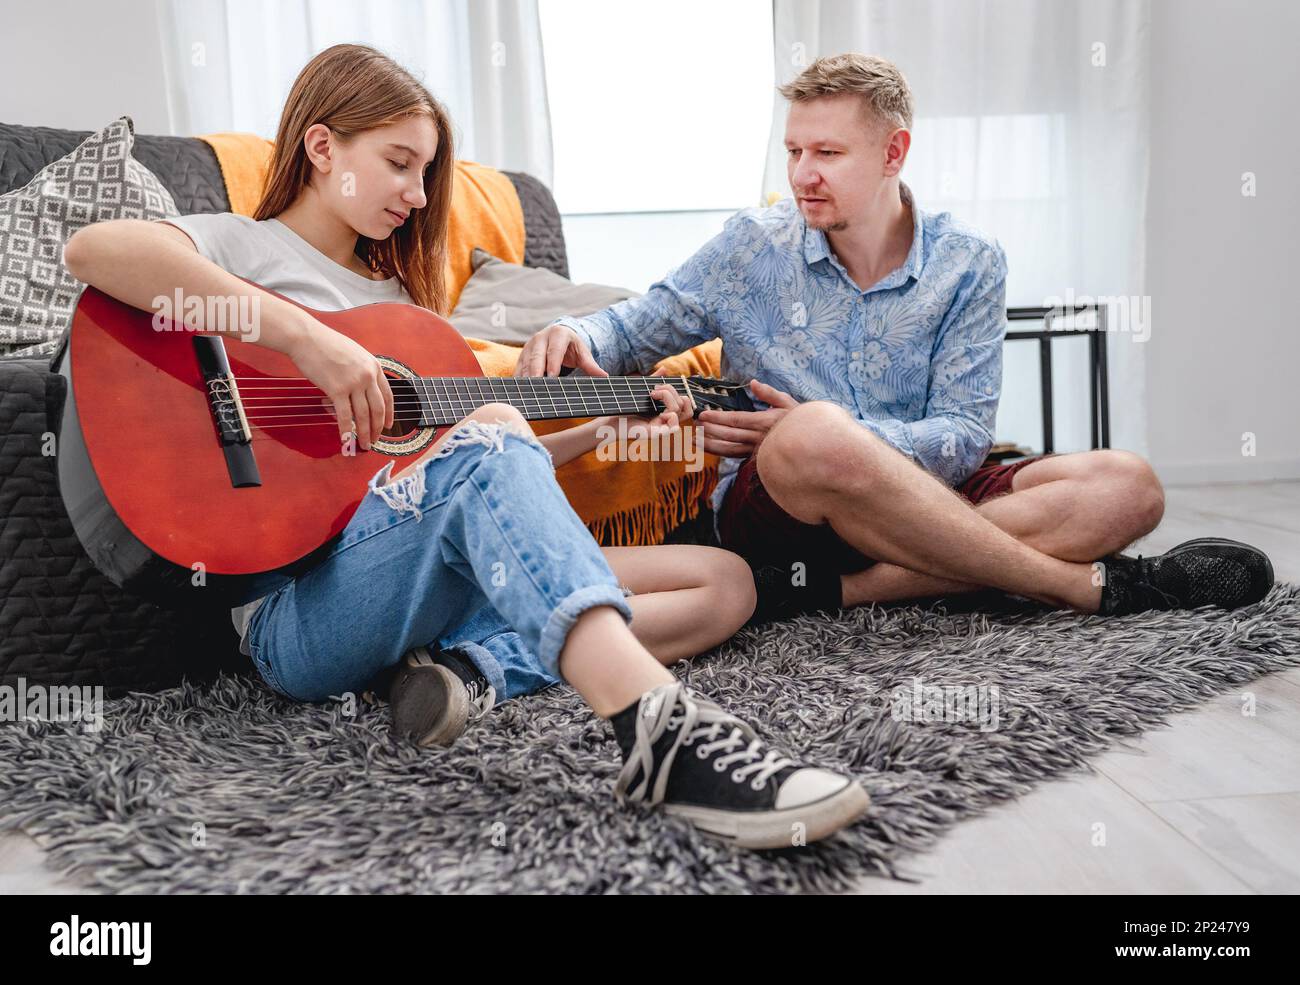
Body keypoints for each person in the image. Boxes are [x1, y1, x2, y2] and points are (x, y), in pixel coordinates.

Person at [63, 44, 869, 850]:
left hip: (428, 583)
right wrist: (310, 342)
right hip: (302, 614)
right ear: (321, 149)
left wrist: (610, 429)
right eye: (399, 164)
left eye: (427, 173)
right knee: (492, 441)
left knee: (724, 583)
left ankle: (467, 673)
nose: (418, 197)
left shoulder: (402, 310)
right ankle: (667, 739)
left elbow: (472, 482)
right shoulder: (245, 248)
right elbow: (95, 251)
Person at [517, 52, 1273, 623]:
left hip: (922, 499)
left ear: (893, 153)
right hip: (782, 506)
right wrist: (570, 326)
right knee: (813, 433)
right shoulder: (750, 244)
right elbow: (635, 324)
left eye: (828, 153)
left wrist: (860, 442)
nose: (803, 174)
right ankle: (1081, 585)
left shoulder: (969, 262)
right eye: (794, 151)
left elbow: (965, 435)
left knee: (1129, 483)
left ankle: (841, 592)